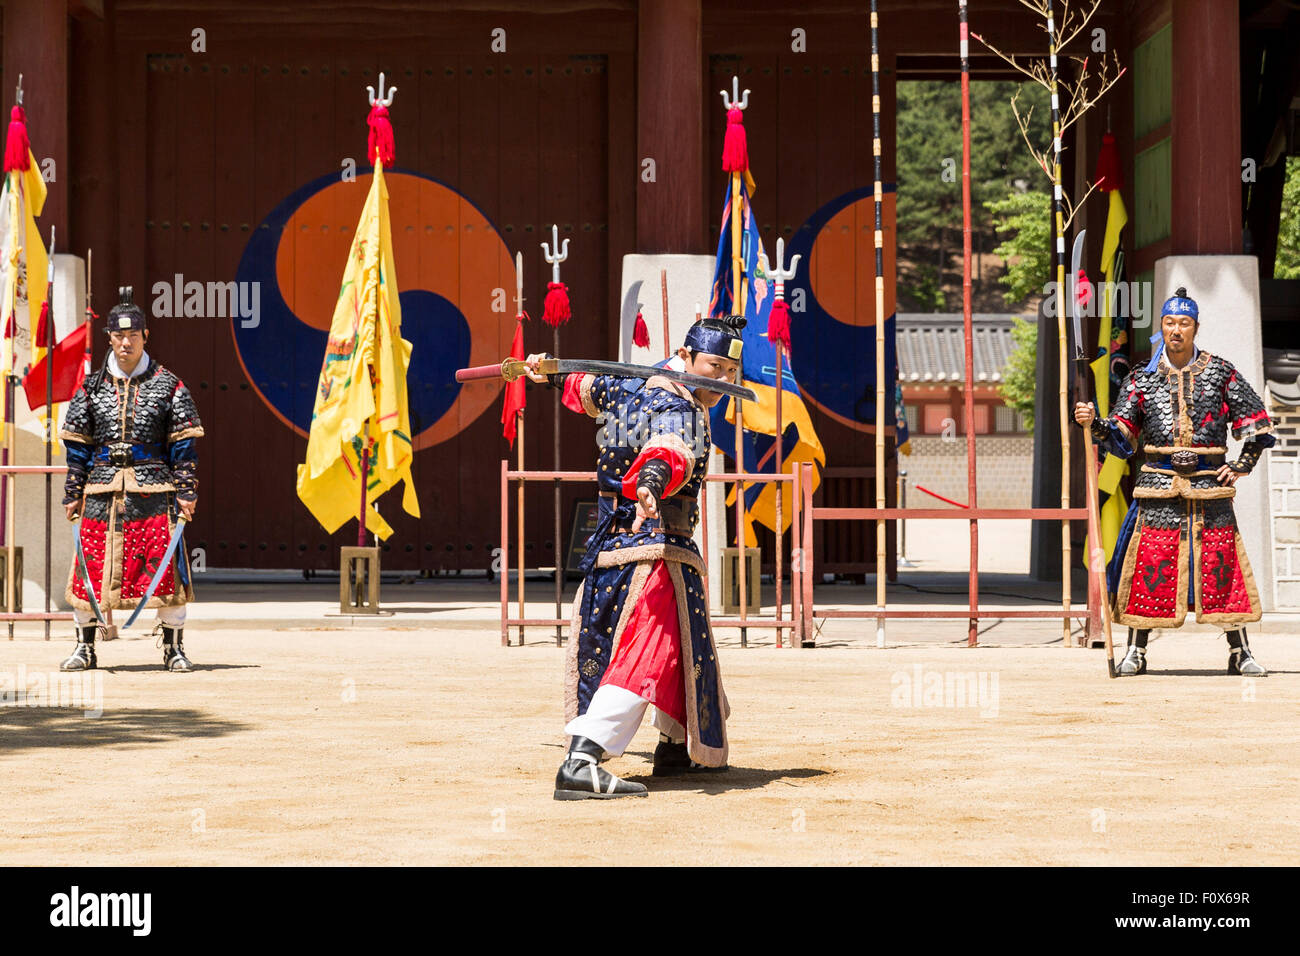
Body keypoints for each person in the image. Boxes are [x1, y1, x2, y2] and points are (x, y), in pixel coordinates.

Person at [523, 316, 744, 799]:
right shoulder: (675, 404)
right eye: (714, 366)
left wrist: (548, 371)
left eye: (730, 371)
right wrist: (651, 482)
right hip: (654, 547)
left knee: (680, 645)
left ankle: (676, 744)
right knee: (649, 651)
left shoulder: (627, 386)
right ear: (685, 356)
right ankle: (584, 758)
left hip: (616, 545)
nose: (722, 381)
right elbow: (670, 449)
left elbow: (584, 384)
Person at [1074, 287, 1274, 676]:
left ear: (1195, 327)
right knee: (1150, 563)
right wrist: (1093, 423)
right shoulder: (1142, 378)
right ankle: (1136, 650)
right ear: (1160, 328)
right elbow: (1121, 436)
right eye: (1169, 323)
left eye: (1184, 323)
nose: (1176, 330)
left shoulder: (1220, 372)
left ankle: (1240, 651)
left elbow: (1257, 424)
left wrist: (1242, 464)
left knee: (1222, 565)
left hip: (1208, 486)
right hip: (1158, 487)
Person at [58, 287, 203, 672]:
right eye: (119, 336)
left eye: (133, 336)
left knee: (163, 567)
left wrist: (187, 490)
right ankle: (84, 647)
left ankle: (173, 648)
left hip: (154, 489)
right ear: (109, 337)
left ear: (145, 337)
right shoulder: (90, 389)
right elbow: (78, 449)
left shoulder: (169, 385)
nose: (126, 343)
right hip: (101, 489)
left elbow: (183, 445)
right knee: (90, 567)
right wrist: (73, 491)